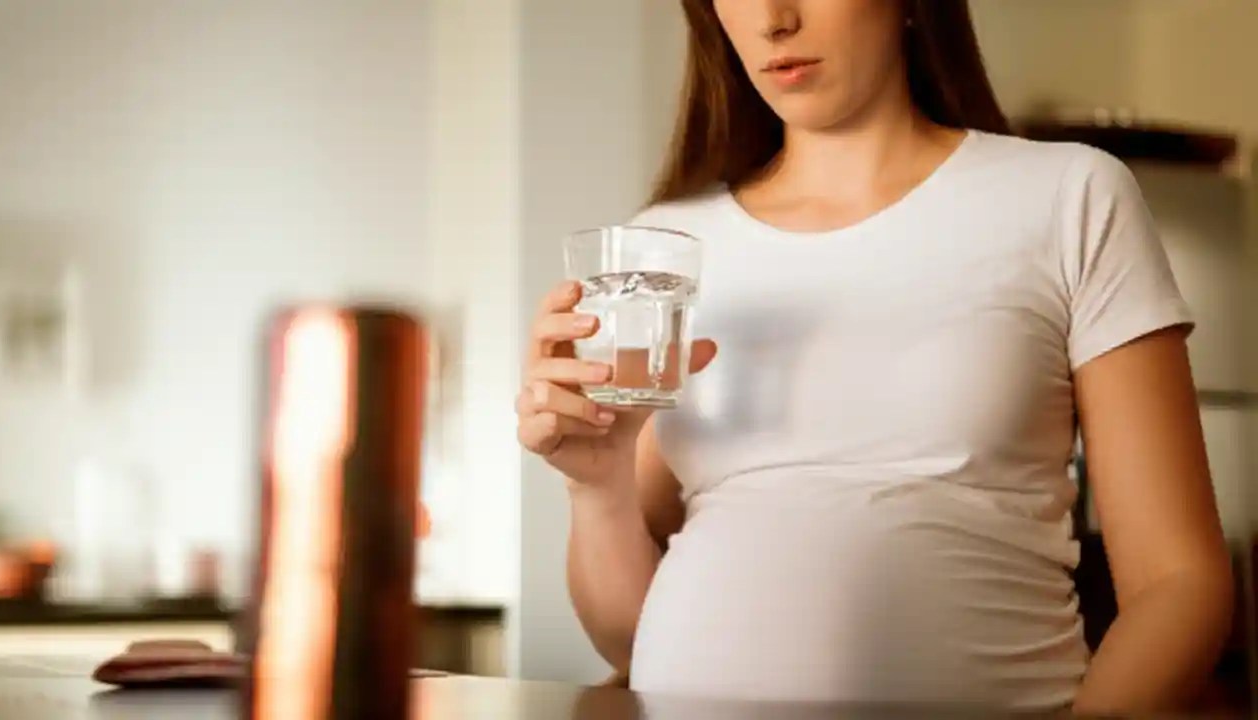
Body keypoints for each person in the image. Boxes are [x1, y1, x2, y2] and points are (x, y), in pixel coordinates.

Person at [516, 0, 1233, 714]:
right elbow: (627, 643)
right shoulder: (666, 249)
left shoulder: (1070, 197)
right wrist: (598, 486)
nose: (772, 18)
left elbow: (1179, 582)